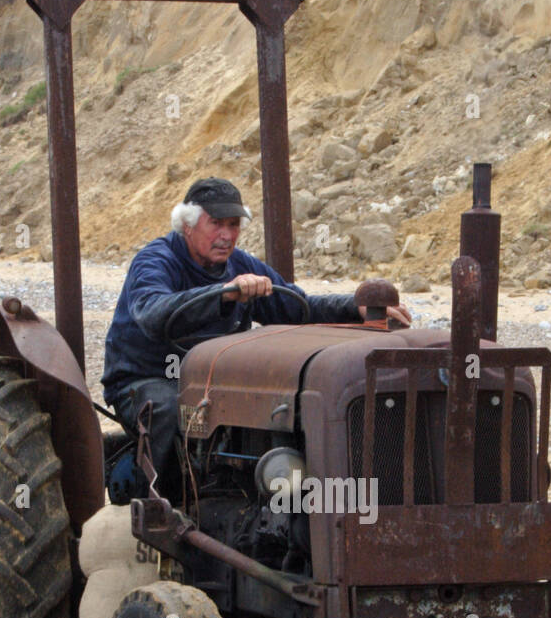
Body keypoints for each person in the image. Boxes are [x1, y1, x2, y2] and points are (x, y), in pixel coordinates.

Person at [102, 177, 410, 481]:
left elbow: (296, 306)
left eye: (233, 224)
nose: (226, 235)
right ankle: (161, 503)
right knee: (169, 408)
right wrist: (224, 294)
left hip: (212, 376)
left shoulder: (241, 265)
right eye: (216, 223)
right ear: (188, 225)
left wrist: (354, 308)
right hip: (148, 375)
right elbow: (152, 314)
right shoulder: (155, 260)